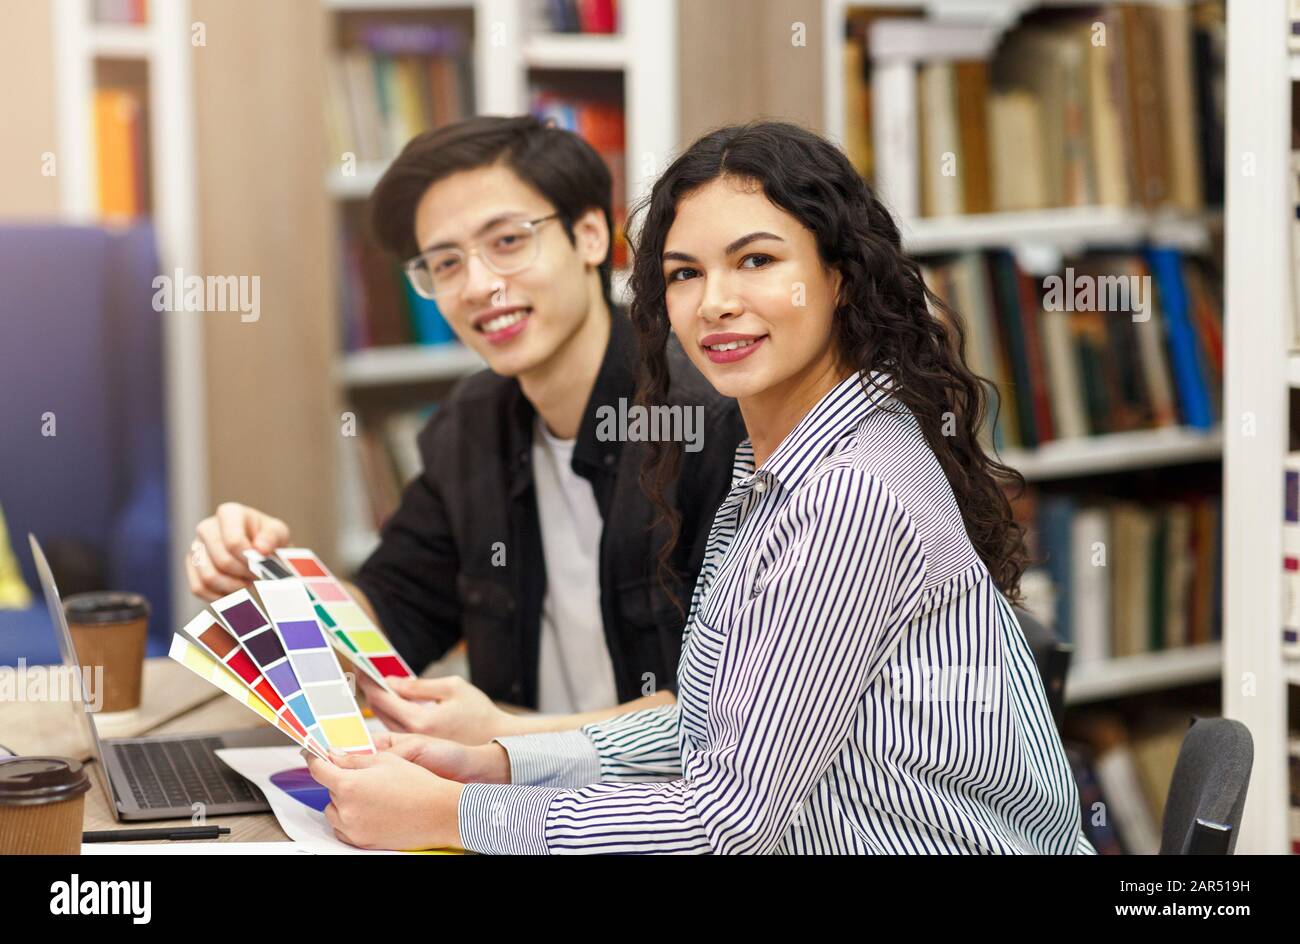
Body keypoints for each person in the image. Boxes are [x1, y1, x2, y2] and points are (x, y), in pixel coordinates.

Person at [304, 120, 1095, 855]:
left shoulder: (850, 492)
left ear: (841, 277)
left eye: (756, 261)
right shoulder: (778, 467)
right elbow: (711, 729)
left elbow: (726, 820)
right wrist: (501, 763)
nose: (715, 301)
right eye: (685, 274)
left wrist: (453, 814)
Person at [186, 116, 743, 742]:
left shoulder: (707, 422)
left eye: (507, 241)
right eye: (445, 263)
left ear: (590, 235)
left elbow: (732, 716)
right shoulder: (471, 425)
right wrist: (267, 579)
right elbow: (387, 616)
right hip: (509, 802)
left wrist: (508, 737)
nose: (479, 286)